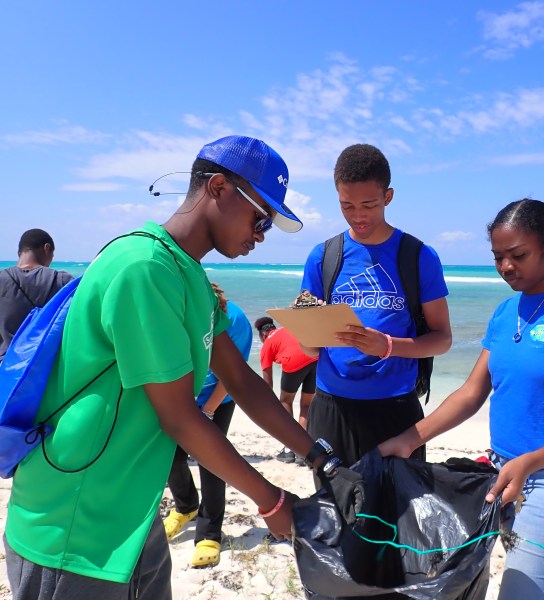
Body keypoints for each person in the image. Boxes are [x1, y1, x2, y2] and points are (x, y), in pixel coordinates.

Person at [2, 135, 339, 599]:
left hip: (134, 515)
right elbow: (179, 416)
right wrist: (271, 499)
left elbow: (240, 379)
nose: (260, 235)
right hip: (74, 523)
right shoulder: (144, 267)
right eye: (260, 218)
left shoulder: (191, 277)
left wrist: (319, 454)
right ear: (218, 188)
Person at [379, 188, 544, 599]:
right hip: (500, 476)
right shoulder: (505, 312)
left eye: (517, 255)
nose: (506, 267)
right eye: (498, 257)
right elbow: (471, 393)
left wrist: (530, 462)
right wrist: (410, 439)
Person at [299, 143, 452, 470]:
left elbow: (442, 339)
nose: (358, 215)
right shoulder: (321, 257)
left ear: (388, 197)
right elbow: (308, 348)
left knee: (395, 518)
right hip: (330, 406)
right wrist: (307, 327)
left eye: (368, 204)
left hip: (395, 409)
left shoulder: (419, 257)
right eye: (346, 205)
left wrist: (387, 346)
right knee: (334, 514)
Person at [164, 297, 252, 568]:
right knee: (169, 456)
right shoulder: (173, 315)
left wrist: (208, 411)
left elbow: (233, 376)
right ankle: (186, 505)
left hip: (220, 398)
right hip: (182, 394)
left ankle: (210, 532)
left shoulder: (236, 322)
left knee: (211, 461)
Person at [0, 228, 74, 362]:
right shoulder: (63, 281)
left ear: (19, 252)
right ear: (47, 248)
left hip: (7, 367)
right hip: (47, 366)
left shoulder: (2, 279)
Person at [254, 316, 318, 465]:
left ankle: (290, 449)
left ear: (263, 335)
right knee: (306, 405)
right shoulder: (286, 328)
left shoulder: (267, 343)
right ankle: (305, 452)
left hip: (293, 361)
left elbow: (267, 383)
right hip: (314, 358)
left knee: (285, 401)